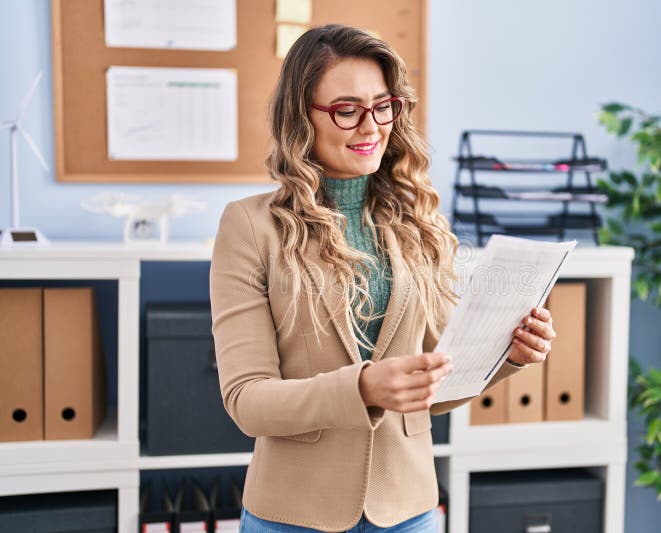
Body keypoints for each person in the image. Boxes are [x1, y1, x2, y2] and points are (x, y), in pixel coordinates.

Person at [209, 24, 556, 533]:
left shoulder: (416, 221)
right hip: (295, 513)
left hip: (409, 510)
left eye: (383, 105)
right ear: (301, 118)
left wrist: (508, 356)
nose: (370, 126)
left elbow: (435, 387)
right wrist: (365, 387)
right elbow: (248, 401)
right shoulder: (249, 226)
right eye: (347, 110)